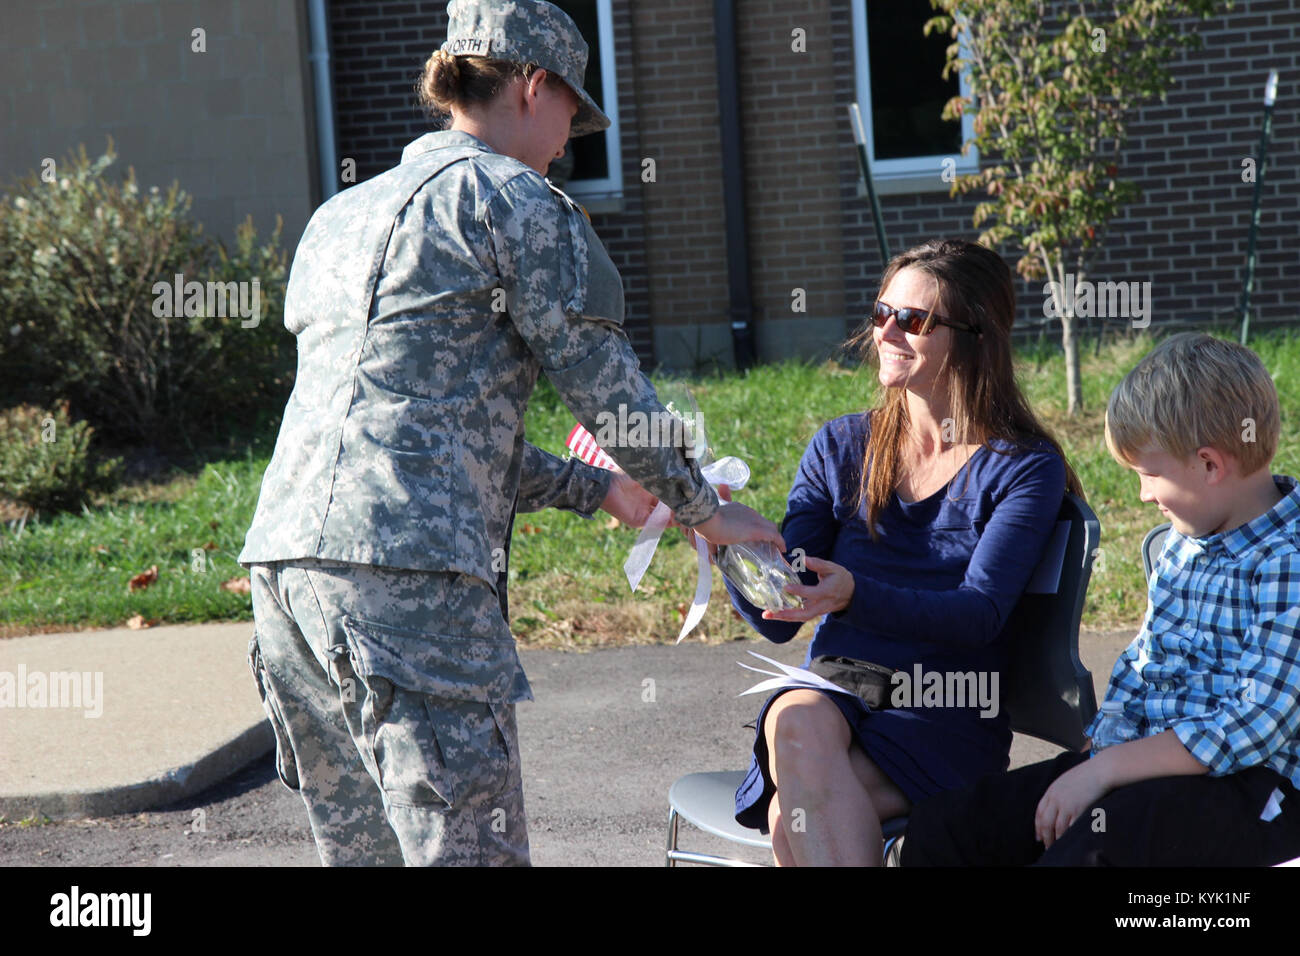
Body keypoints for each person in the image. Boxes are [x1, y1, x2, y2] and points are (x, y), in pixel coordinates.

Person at [238, 0, 781, 867]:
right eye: (573, 109)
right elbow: (611, 393)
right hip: (410, 588)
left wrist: (597, 486)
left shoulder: (338, 217)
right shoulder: (518, 204)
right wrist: (703, 507)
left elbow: (420, 432)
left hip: (285, 576)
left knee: (368, 859)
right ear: (534, 87)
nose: (572, 136)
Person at [723, 238, 1084, 866]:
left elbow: (979, 614)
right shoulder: (840, 446)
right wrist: (726, 546)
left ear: (973, 338)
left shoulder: (1023, 467)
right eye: (880, 312)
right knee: (796, 720)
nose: (887, 332)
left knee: (793, 815)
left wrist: (856, 595)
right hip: (838, 694)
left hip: (945, 705)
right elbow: (776, 617)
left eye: (913, 320)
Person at [901, 333, 1300, 866]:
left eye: (1149, 474)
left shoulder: (1286, 559)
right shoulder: (1185, 544)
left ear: (1209, 465)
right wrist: (1093, 758)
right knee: (952, 826)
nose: (1143, 495)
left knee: (1086, 853)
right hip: (1145, 771)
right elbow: (1142, 666)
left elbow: (1256, 722)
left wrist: (1105, 771)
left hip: (1256, 793)